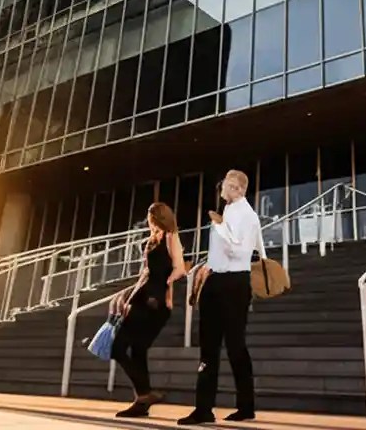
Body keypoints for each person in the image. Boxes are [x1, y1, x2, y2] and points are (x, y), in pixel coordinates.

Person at [178, 170, 261, 426]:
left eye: (225, 184)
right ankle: (204, 408)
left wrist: (220, 228)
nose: (220, 187)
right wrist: (208, 266)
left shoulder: (247, 215)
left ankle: (245, 406)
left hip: (234, 283)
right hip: (217, 281)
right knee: (208, 346)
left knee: (235, 345)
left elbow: (242, 252)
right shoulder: (228, 211)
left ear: (236, 187)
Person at [109, 202, 186, 418]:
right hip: (142, 298)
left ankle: (144, 395)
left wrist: (165, 287)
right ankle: (142, 400)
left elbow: (179, 268)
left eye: (151, 217)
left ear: (157, 217)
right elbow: (145, 273)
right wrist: (127, 294)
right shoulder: (151, 241)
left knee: (120, 348)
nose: (149, 222)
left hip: (157, 304)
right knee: (136, 349)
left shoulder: (171, 237)